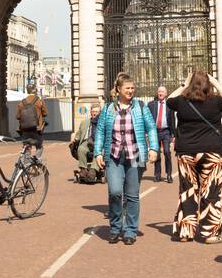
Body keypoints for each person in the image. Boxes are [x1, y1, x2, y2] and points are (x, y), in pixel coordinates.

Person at [167, 69, 222, 243]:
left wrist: (184, 84)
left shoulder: (182, 101)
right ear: (208, 84)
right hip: (210, 151)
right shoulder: (216, 102)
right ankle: (209, 233)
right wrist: (216, 82)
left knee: (188, 191)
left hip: (186, 152)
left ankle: (185, 231)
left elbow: (168, 100)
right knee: (211, 191)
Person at [93, 72, 158, 245]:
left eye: (132, 88)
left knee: (132, 195)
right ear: (119, 89)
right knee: (114, 192)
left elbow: (151, 128)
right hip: (113, 155)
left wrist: (153, 148)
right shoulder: (107, 108)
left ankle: (130, 230)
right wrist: (98, 152)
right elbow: (100, 131)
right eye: (127, 88)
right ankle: (115, 227)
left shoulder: (141, 107)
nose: (131, 91)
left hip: (136, 155)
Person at [147, 86, 177, 183]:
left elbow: (172, 119)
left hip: (166, 131)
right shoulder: (151, 104)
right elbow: (147, 119)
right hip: (155, 132)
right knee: (157, 154)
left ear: (166, 93)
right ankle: (157, 174)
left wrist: (173, 134)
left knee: (167, 152)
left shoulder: (169, 105)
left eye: (162, 92)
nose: (160, 93)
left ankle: (168, 174)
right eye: (159, 91)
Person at [71, 101, 103, 180]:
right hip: (87, 142)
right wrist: (76, 139)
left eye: (96, 112)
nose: (94, 113)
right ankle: (83, 169)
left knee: (98, 151)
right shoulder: (84, 122)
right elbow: (79, 134)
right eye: (93, 111)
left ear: (100, 112)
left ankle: (93, 170)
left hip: (99, 143)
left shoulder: (103, 122)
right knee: (81, 149)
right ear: (90, 112)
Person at [16, 90, 47, 159]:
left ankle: (27, 165)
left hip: (24, 130)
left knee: (27, 147)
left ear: (27, 90)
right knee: (39, 146)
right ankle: (35, 160)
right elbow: (45, 113)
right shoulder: (40, 101)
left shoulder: (22, 103)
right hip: (36, 129)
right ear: (35, 92)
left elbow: (18, 117)